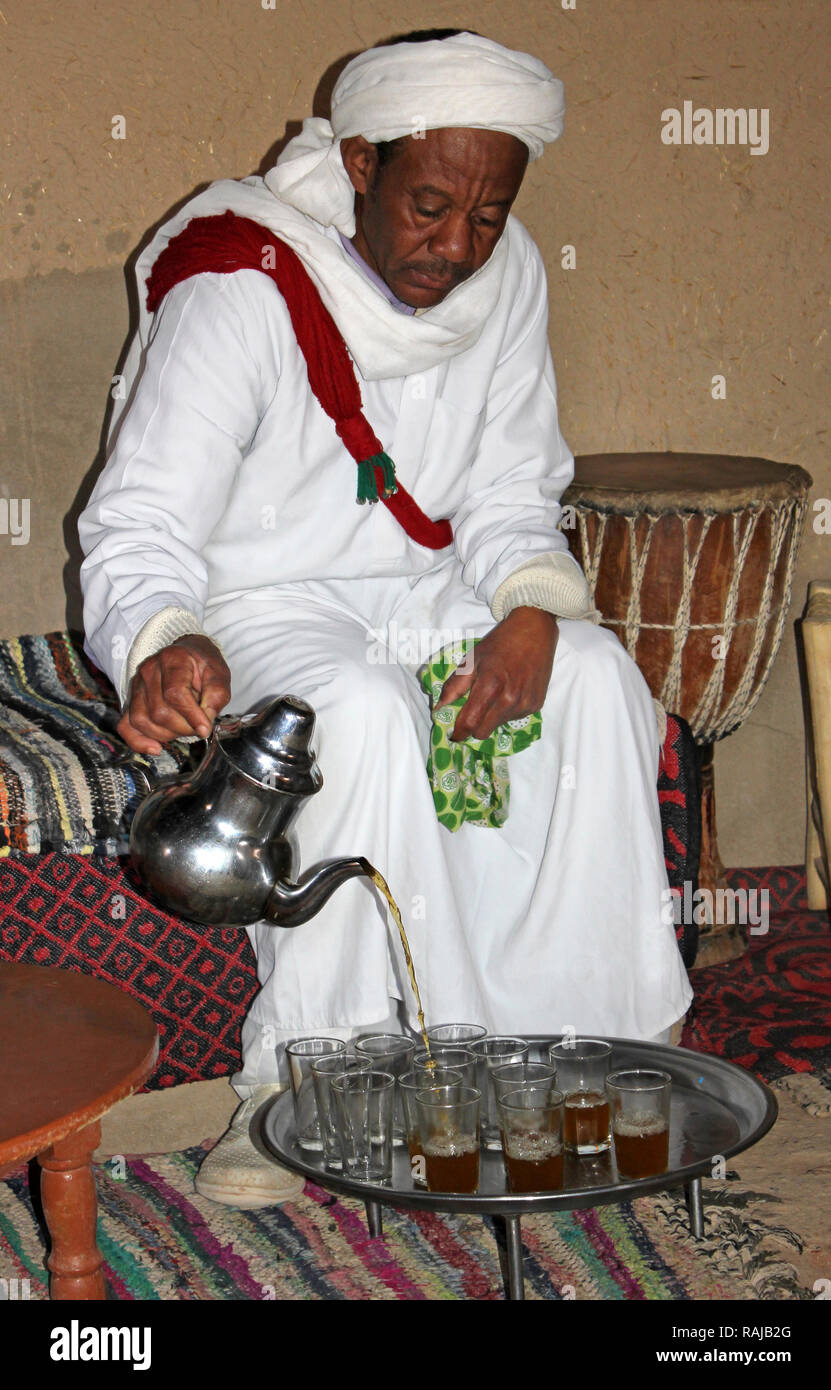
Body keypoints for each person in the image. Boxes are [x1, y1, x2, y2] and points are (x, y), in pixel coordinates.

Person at [79, 29, 693, 1208]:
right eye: (427, 205)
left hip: (431, 588)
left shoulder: (505, 280)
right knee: (348, 710)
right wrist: (163, 636)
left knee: (598, 678)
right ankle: (314, 1088)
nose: (455, 247)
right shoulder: (241, 283)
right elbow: (142, 518)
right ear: (359, 161)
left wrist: (529, 606)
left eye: (487, 215)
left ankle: (591, 1053)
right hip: (259, 597)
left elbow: (513, 490)